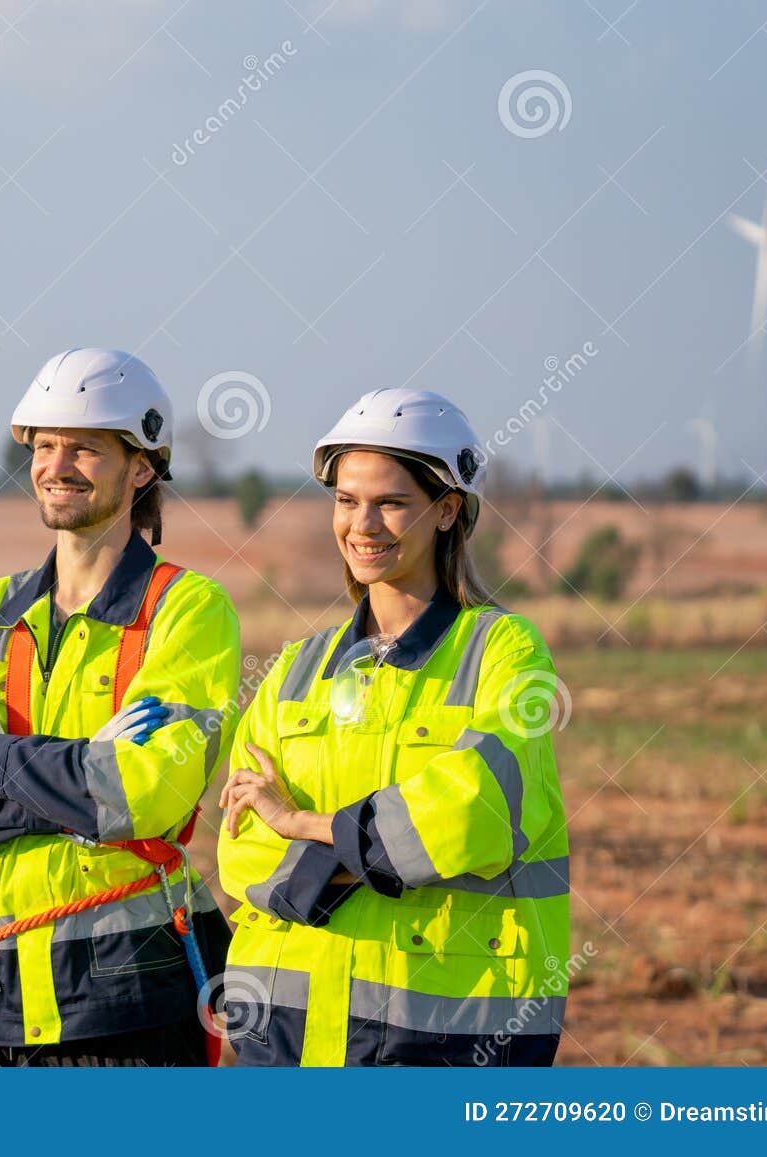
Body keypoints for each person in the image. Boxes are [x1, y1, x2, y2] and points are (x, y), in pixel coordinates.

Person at [0, 348, 240, 1066]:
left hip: (130, 996)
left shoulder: (189, 611)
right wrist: (79, 776)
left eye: (84, 447)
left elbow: (143, 793)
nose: (56, 464)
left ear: (141, 465)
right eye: (45, 445)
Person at [217, 387, 570, 1067]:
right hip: (286, 1032)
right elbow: (242, 853)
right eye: (347, 500)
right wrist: (393, 855)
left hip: (443, 1033)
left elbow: (471, 814)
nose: (363, 524)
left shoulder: (505, 652)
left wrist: (306, 825)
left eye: (391, 502)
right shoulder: (297, 666)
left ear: (447, 510)